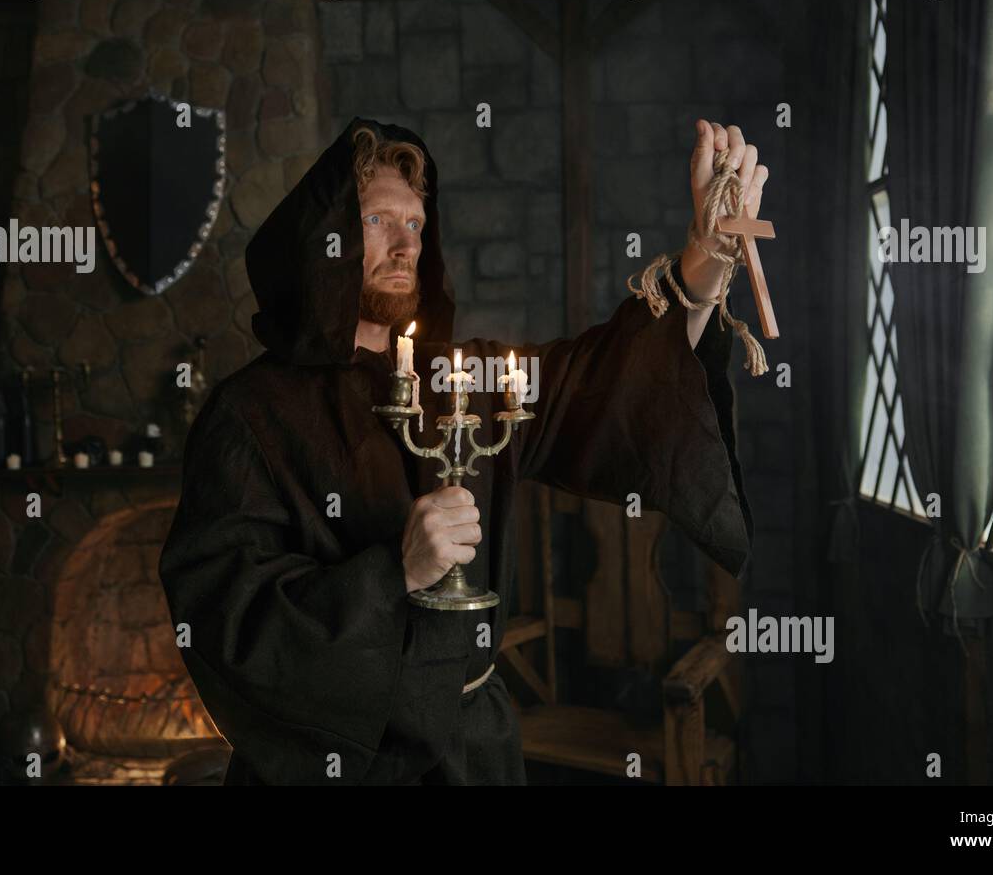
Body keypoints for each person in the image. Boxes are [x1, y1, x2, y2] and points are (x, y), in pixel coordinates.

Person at [158, 116, 761, 785]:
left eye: (415, 224)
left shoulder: (469, 383)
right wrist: (394, 576)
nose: (403, 244)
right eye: (379, 221)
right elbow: (226, 621)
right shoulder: (251, 414)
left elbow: (603, 380)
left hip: (473, 757)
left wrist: (705, 259)